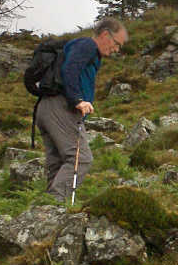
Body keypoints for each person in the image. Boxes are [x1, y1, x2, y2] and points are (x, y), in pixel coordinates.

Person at [34, 17, 128, 202]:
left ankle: (46, 210)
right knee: (81, 158)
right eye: (117, 44)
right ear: (105, 35)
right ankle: (55, 204)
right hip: (61, 108)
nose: (117, 49)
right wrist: (77, 100)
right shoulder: (87, 46)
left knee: (58, 164)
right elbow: (70, 69)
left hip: (45, 108)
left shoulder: (80, 47)